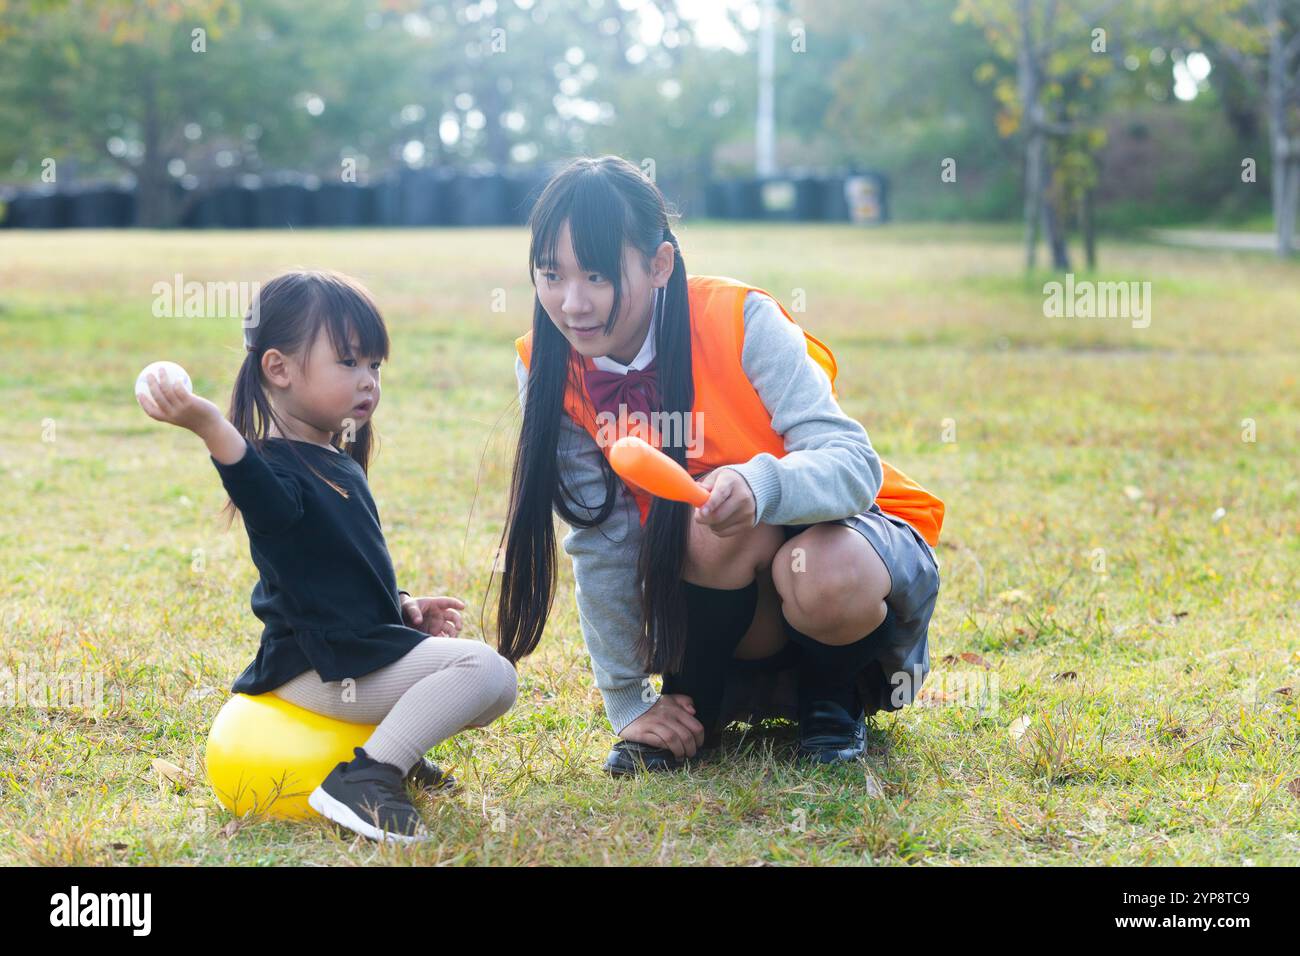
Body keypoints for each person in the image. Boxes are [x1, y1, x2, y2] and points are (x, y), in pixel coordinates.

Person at [494, 156, 943, 775]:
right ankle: (694, 708)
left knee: (819, 568)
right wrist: (626, 699)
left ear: (659, 265)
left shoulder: (739, 318)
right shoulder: (546, 365)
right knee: (701, 526)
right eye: (550, 275)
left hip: (844, 555)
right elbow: (600, 536)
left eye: (596, 276)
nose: (572, 304)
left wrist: (760, 486)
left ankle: (833, 705)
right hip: (717, 590)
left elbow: (852, 466)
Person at [136, 269, 516, 841]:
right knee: (485, 670)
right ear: (279, 368)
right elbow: (258, 494)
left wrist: (403, 606)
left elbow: (338, 570)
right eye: (348, 362)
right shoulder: (273, 467)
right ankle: (367, 778)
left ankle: (393, 756)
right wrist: (208, 423)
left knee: (487, 687)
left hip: (354, 651)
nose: (368, 381)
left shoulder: (335, 461)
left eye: (374, 366)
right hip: (316, 669)